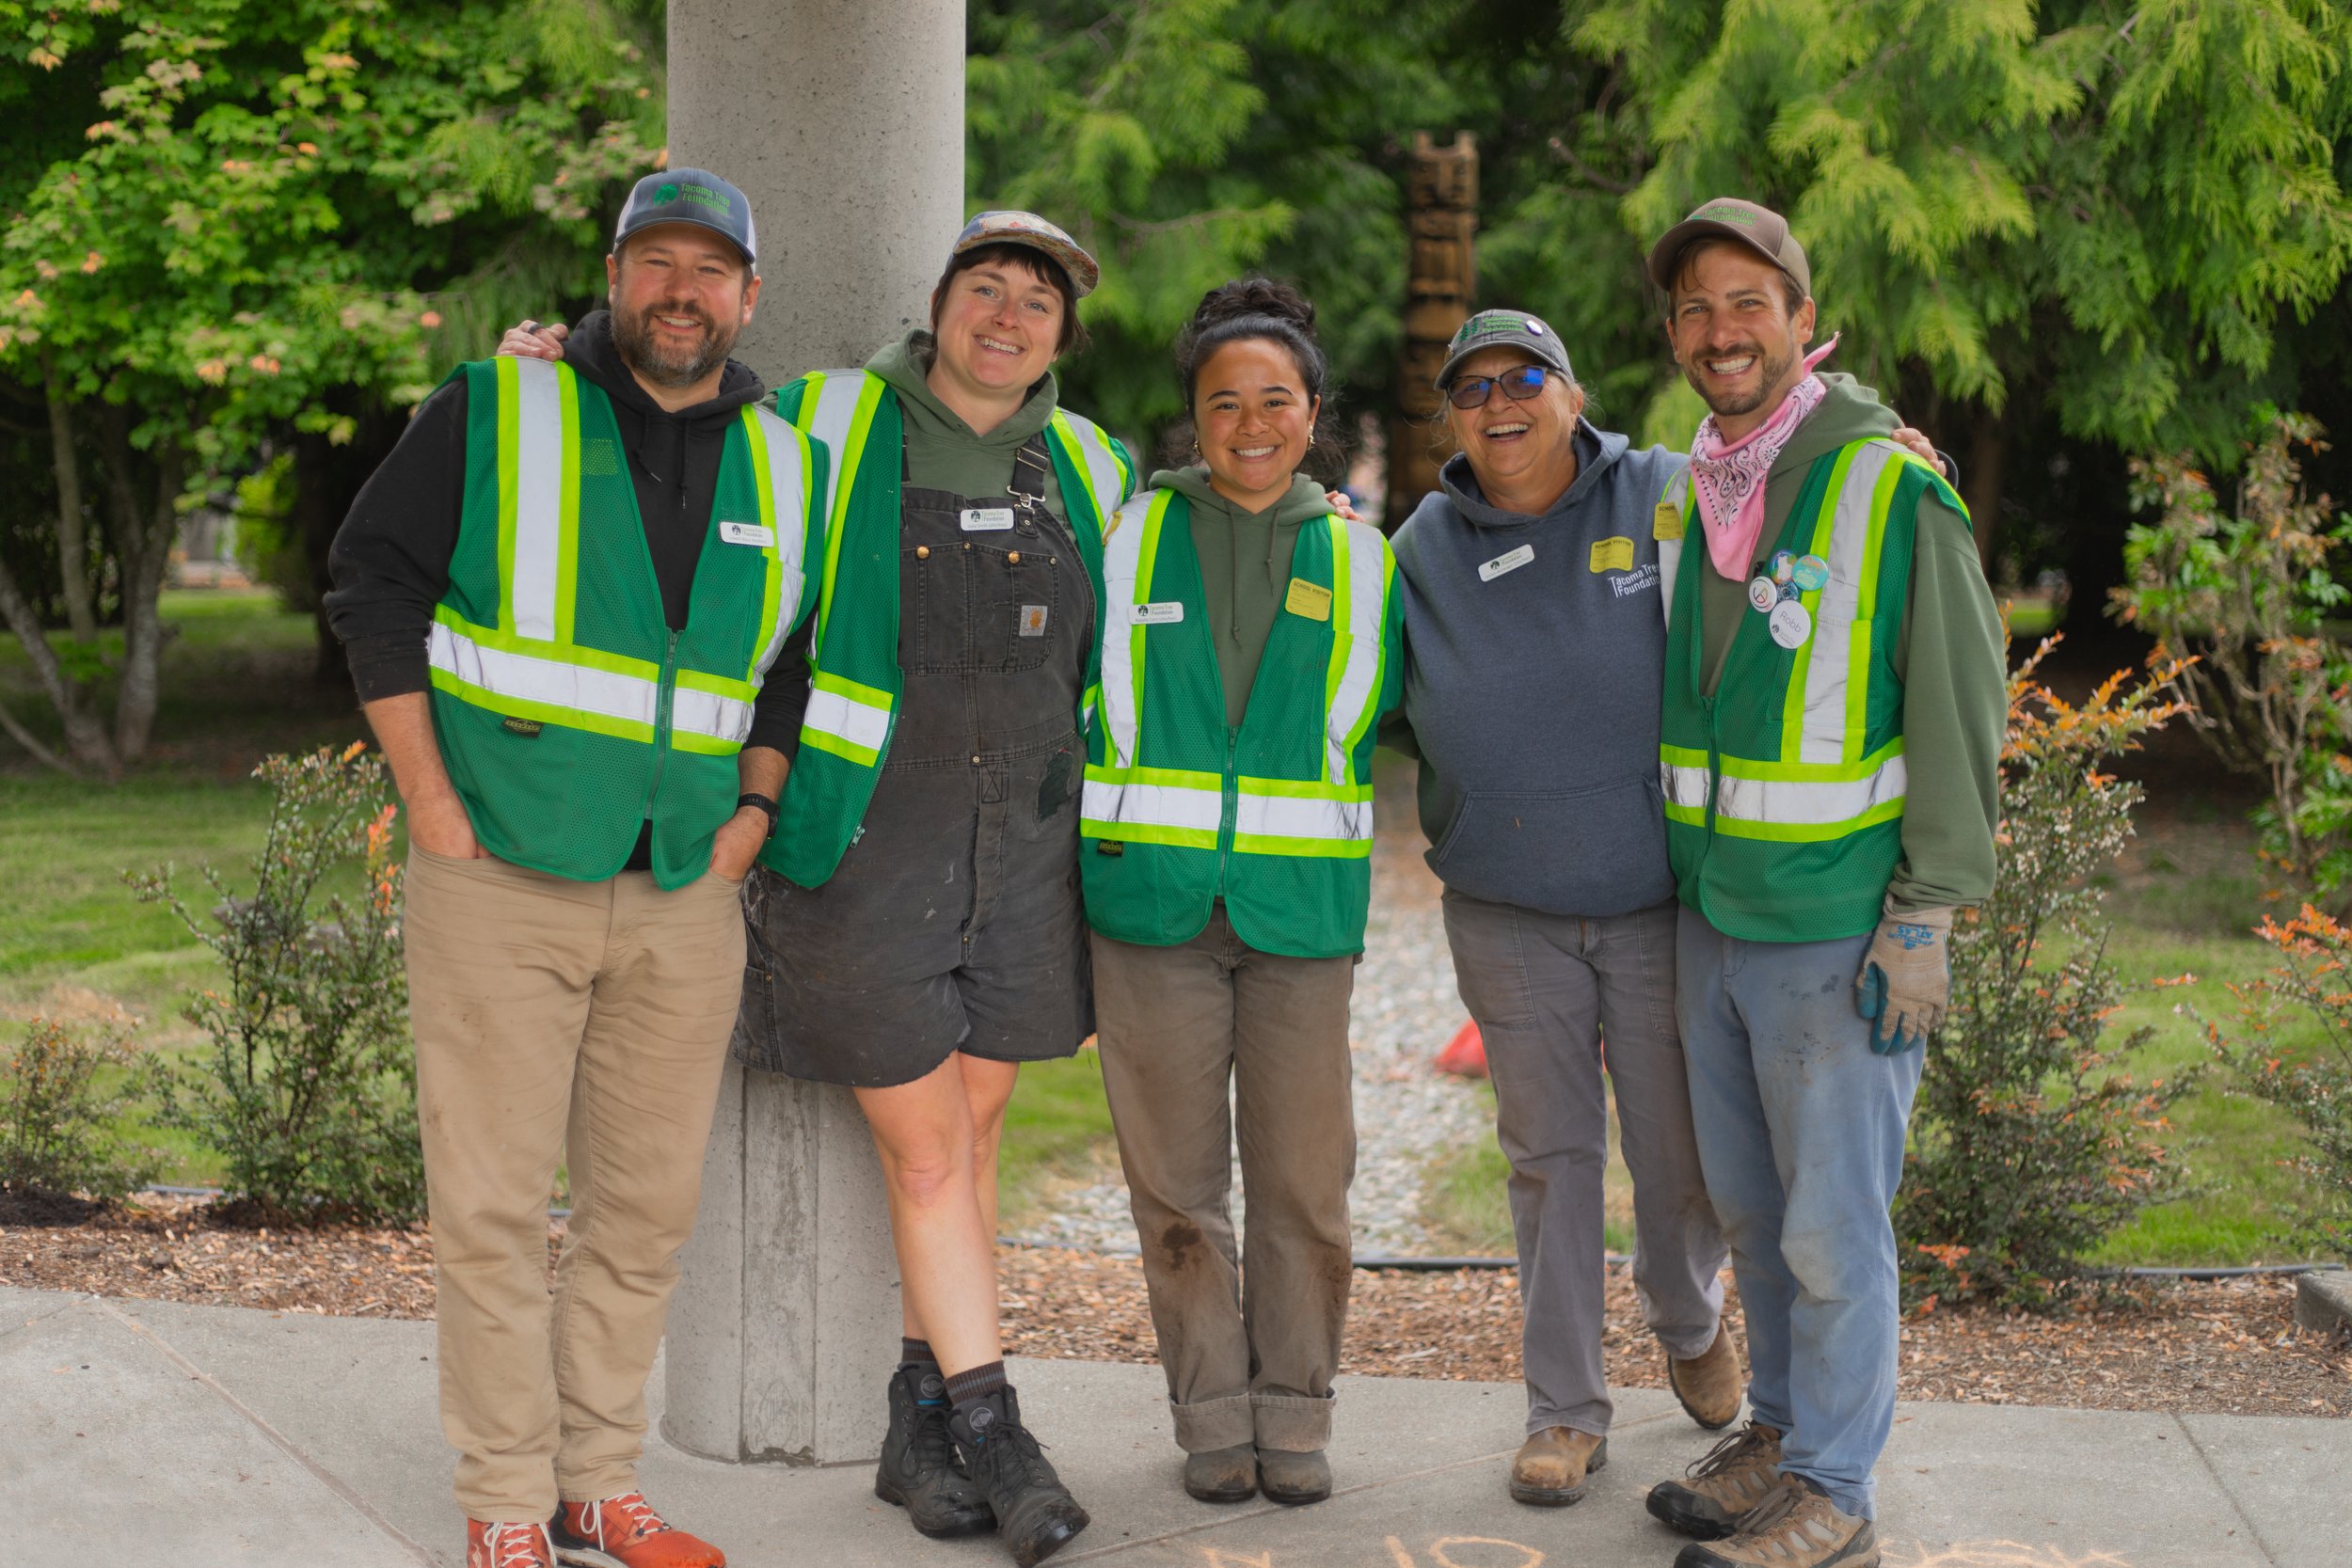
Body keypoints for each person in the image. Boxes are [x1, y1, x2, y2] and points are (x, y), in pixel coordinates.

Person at [497, 209, 1133, 1568]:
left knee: (975, 1121)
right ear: (938, 301)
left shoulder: (1089, 461)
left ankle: (916, 1421)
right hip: (862, 840)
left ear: (1063, 335)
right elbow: (666, 445)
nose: (1008, 313)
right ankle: (996, 1425)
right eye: (985, 286)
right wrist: (557, 373)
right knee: (927, 1148)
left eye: (1037, 299)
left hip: (1016, 851)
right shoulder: (826, 422)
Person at [326, 168, 817, 1568]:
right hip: (500, 871)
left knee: (644, 1206)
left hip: (682, 887)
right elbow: (371, 586)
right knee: (487, 1203)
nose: (683, 291)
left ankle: (599, 1477)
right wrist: (427, 800)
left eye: (711, 269)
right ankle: (502, 1496)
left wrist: (755, 817)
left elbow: (792, 664)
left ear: (748, 296)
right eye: (657, 261)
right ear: (614, 276)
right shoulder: (498, 405)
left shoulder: (789, 461)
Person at [1384, 309, 1949, 1513]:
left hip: (1657, 905)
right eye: (1471, 386)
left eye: (1524, 375)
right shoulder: (1419, 545)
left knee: (1682, 1162)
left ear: (1571, 388)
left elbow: (1783, 493)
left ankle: (1690, 1323)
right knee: (1547, 1161)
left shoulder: (1663, 493)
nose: (1500, 402)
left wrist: (1880, 451)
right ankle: (1563, 1411)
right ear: (1449, 416)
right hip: (1505, 907)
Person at [1639, 198, 2002, 1568]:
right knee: (1755, 1214)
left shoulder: (1888, 483)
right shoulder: (1694, 487)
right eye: (1695, 309)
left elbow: (1964, 703)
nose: (1721, 329)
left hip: (1844, 922)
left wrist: (1927, 912)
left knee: (1836, 1229)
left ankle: (1837, 1486)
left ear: (1803, 317)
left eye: (1749, 301)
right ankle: (1779, 1435)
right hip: (1715, 916)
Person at [1081, 279, 1403, 1509]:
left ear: (1313, 413)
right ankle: (1210, 1407)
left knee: (1305, 1183)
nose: (1252, 422)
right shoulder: (1124, 537)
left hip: (1299, 925)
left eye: (1277, 399)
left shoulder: (1368, 561)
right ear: (1194, 417)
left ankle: (1297, 1407)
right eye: (1227, 401)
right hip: (1150, 911)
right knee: (1174, 1187)